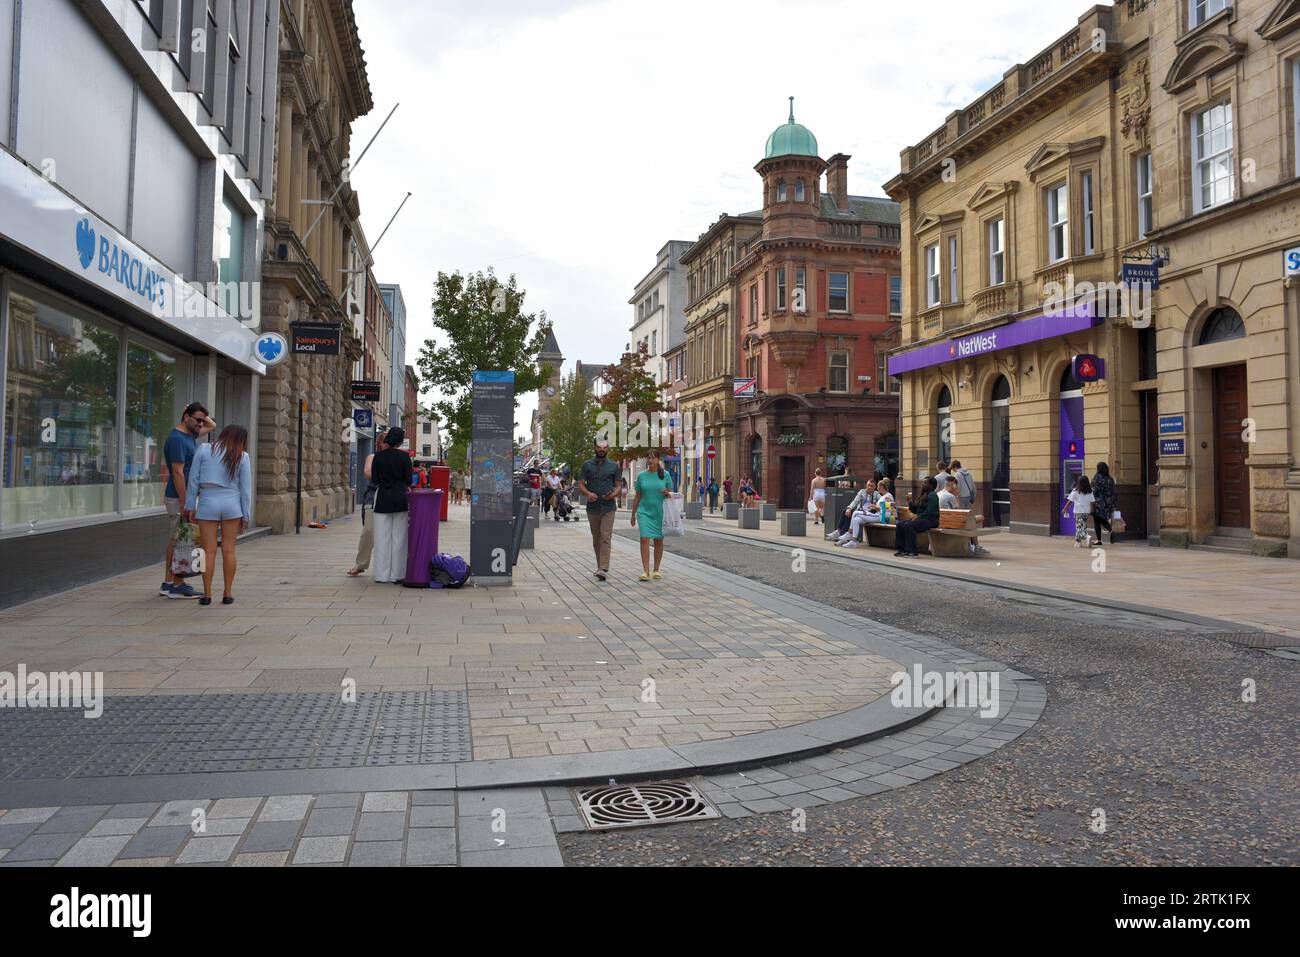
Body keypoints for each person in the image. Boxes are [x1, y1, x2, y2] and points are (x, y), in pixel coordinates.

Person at [184, 424, 251, 605]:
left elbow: (193, 479)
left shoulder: (204, 450)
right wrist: (246, 515)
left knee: (208, 551)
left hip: (208, 501)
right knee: (229, 550)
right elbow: (246, 490)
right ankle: (227, 593)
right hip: (232, 503)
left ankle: (207, 594)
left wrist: (190, 505)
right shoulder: (242, 457)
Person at [160, 401, 217, 599]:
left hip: (182, 497)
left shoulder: (190, 434)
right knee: (179, 539)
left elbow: (213, 426)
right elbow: (177, 472)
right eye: (198, 420)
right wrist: (186, 502)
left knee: (178, 538)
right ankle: (175, 584)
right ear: (186, 417)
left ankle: (170, 582)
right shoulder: (177, 438)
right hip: (178, 496)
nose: (202, 425)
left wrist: (196, 413)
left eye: (202, 420)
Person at [367, 427, 413, 583]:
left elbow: (374, 480)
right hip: (401, 496)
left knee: (381, 537)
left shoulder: (378, 457)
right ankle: (397, 574)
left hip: (382, 497)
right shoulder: (405, 457)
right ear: (400, 441)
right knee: (399, 538)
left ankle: (381, 575)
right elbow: (408, 480)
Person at [577, 438, 622, 581]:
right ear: (594, 448)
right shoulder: (587, 465)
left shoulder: (614, 466)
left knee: (605, 537)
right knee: (596, 539)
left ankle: (603, 568)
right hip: (593, 508)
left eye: (605, 447)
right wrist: (588, 494)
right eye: (599, 447)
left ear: (608, 448)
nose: (602, 449)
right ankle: (600, 566)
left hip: (608, 507)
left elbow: (618, 486)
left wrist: (613, 494)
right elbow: (581, 484)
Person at [631, 449, 673, 582]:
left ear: (658, 460)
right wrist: (633, 514)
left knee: (658, 541)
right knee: (644, 539)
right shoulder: (642, 476)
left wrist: (666, 492)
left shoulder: (665, 475)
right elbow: (637, 496)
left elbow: (671, 494)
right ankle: (645, 571)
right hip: (644, 512)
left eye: (653, 458)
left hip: (659, 512)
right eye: (648, 458)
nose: (650, 460)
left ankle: (656, 569)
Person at [896, 477, 939, 557]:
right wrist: (910, 502)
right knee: (900, 524)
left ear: (931, 486)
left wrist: (917, 518)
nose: (923, 484)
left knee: (909, 525)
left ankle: (912, 552)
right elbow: (915, 510)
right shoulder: (923, 495)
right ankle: (902, 550)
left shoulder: (932, 495)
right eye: (923, 482)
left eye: (925, 483)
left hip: (931, 520)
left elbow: (930, 511)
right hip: (922, 519)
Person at [835, 480, 880, 547]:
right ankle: (844, 536)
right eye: (868, 485)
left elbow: (882, 501)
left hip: (868, 514)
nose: (870, 487)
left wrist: (876, 505)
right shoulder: (862, 492)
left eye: (872, 486)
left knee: (853, 515)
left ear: (875, 487)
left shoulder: (876, 494)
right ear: (866, 485)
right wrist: (849, 508)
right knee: (846, 512)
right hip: (860, 511)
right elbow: (855, 501)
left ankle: (843, 534)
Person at [347, 480, 378, 577]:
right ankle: (361, 563)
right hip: (374, 495)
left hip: (396, 493)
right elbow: (368, 472)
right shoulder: (373, 463)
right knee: (368, 530)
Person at [1063, 474, 1095, 548]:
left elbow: (1070, 501)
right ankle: (1078, 542)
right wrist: (1092, 510)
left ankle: (1087, 537)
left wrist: (1065, 509)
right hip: (1086, 512)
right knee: (1082, 527)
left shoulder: (1075, 491)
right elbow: (1092, 502)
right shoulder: (1090, 491)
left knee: (1079, 527)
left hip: (1078, 512)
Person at [1091, 462, 1117, 546]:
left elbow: (1094, 490)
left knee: (1097, 521)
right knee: (1102, 519)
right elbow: (1113, 492)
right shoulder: (1110, 479)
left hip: (1098, 503)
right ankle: (1110, 530)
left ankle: (1099, 539)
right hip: (1108, 503)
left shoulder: (1097, 478)